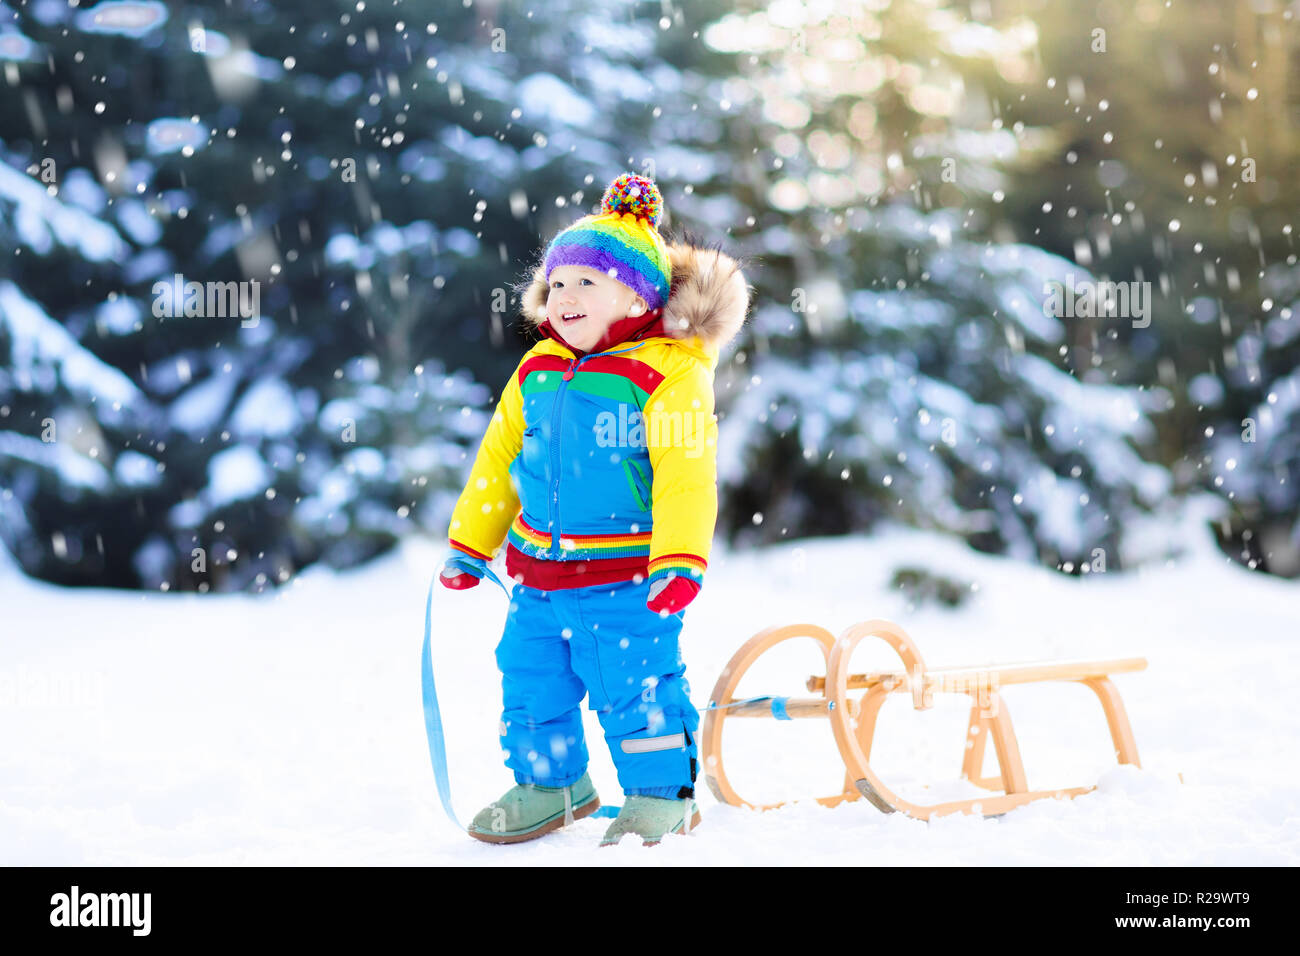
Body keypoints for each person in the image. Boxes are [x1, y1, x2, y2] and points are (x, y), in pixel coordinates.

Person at [439, 172, 749, 846]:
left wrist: (679, 560)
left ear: (637, 293)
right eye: (556, 285)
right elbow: (499, 461)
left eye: (586, 283)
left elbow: (685, 476)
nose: (564, 298)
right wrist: (470, 541)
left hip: (626, 579)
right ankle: (551, 784)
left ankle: (662, 794)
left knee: (635, 691)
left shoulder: (669, 373)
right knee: (529, 680)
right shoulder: (538, 369)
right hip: (537, 578)